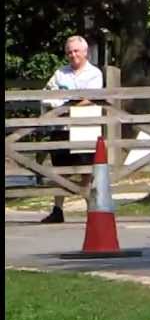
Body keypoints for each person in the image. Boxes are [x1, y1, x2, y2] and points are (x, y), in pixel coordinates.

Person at [40, 35, 104, 224]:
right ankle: (58, 210)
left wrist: (66, 103)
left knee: (86, 170)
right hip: (62, 127)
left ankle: (92, 209)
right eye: (69, 52)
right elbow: (48, 93)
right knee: (60, 170)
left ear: (85, 52)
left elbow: (91, 98)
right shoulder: (60, 73)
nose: (73, 55)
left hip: (85, 127)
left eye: (76, 51)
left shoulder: (94, 73)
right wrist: (67, 101)